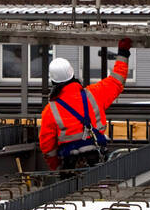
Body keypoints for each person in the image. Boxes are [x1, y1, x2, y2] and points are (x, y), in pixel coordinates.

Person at [39, 38, 132, 170]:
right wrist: (123, 52)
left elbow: (47, 147)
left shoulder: (50, 110)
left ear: (52, 81)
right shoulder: (94, 94)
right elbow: (117, 80)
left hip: (70, 166)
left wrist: (56, 167)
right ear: (72, 74)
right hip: (98, 161)